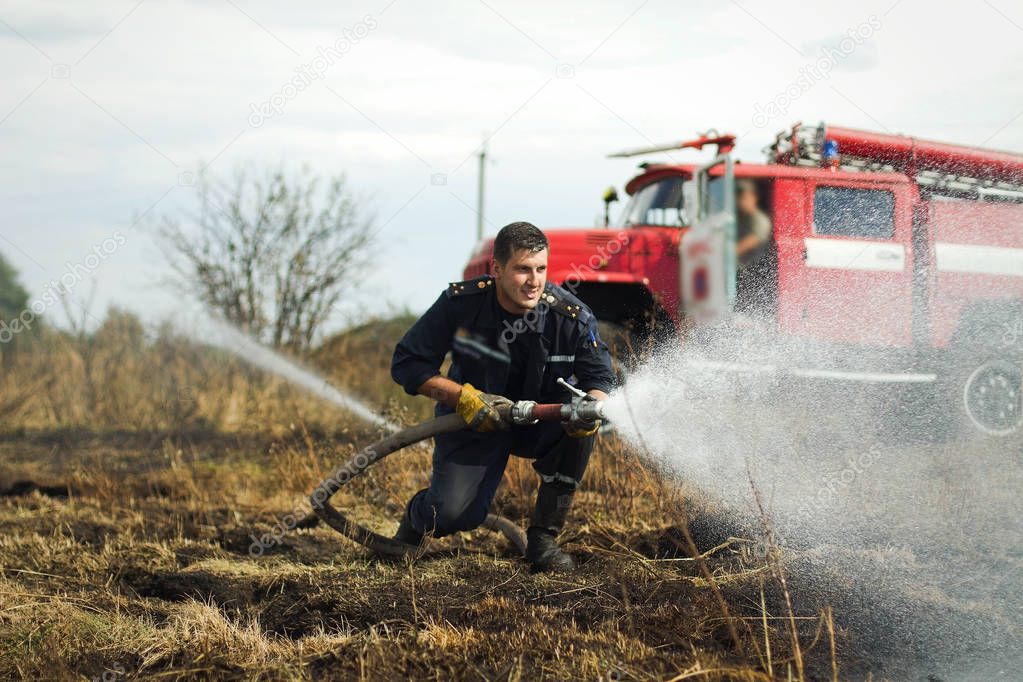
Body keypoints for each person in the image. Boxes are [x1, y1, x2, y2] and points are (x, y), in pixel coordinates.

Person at [390, 221, 616, 571]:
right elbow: (407, 363)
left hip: (544, 420)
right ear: (496, 269)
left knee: (582, 421)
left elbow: (600, 376)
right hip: (474, 421)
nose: (534, 281)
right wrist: (462, 398)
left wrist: (591, 404)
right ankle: (419, 518)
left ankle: (542, 541)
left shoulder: (569, 316)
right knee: (452, 515)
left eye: (541, 269)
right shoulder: (459, 305)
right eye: (523, 269)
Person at [734, 179, 774, 314]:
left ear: (754, 198)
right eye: (737, 196)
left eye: (743, 196)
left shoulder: (760, 220)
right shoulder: (740, 220)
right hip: (740, 272)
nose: (740, 201)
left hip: (753, 275)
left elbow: (749, 243)